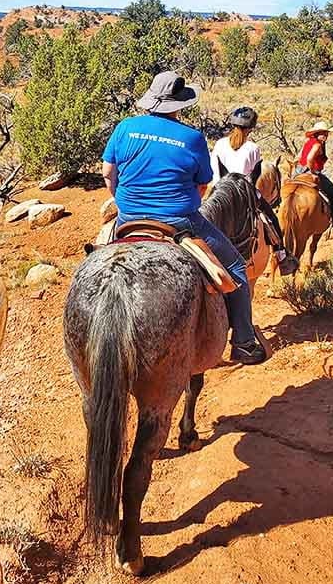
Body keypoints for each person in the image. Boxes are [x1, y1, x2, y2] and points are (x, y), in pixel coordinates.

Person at [101, 70, 265, 365]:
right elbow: (203, 185)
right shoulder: (191, 137)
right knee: (236, 269)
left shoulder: (125, 128)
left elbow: (107, 174)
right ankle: (243, 341)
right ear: (179, 105)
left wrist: (123, 200)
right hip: (180, 222)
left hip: (127, 219)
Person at [211, 106, 298, 275]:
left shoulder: (220, 144)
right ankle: (281, 255)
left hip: (218, 190)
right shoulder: (252, 148)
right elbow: (254, 175)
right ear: (251, 128)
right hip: (243, 192)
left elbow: (213, 169)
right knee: (270, 217)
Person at [296, 121, 333, 230]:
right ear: (316, 133)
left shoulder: (308, 141)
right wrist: (313, 172)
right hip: (311, 171)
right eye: (322, 133)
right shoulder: (317, 145)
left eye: (326, 133)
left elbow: (299, 155)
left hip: (299, 170)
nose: (325, 136)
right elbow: (310, 158)